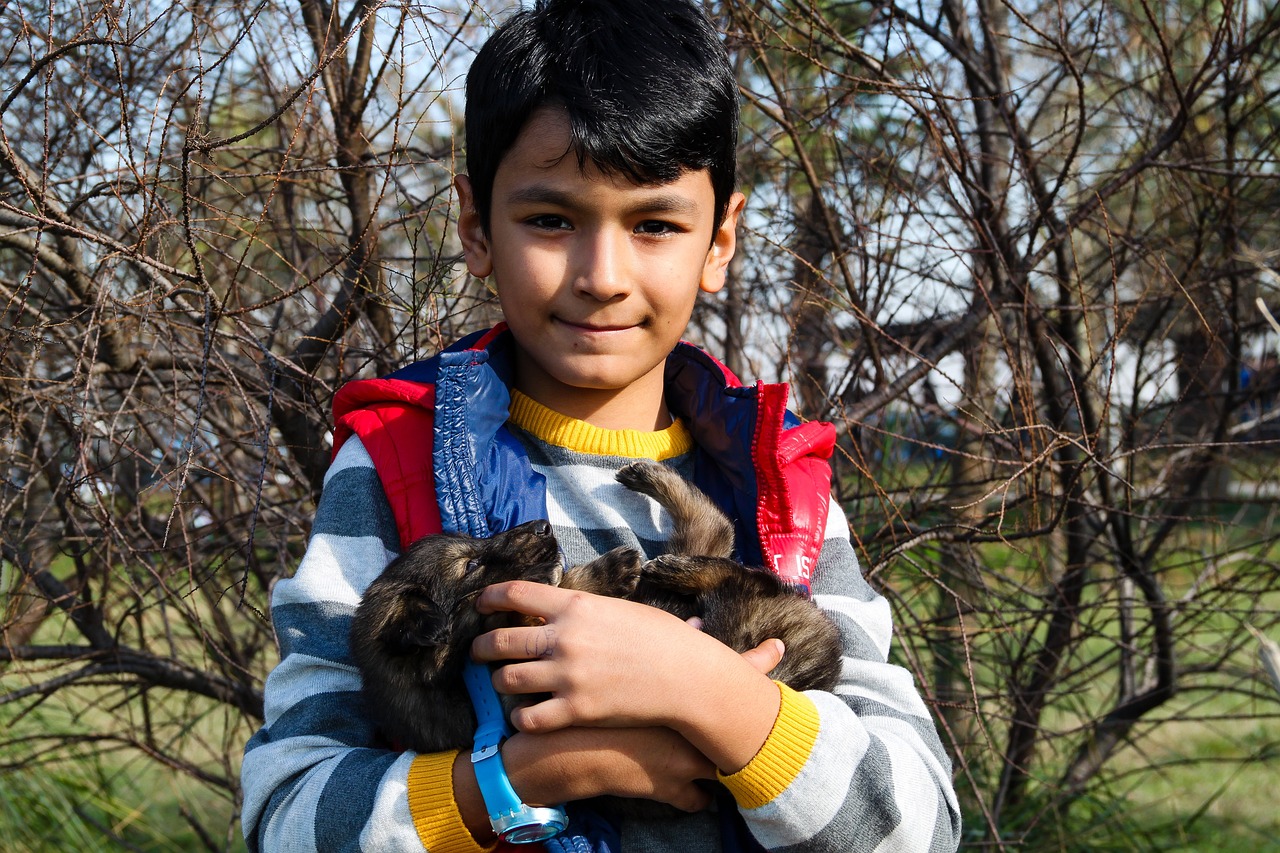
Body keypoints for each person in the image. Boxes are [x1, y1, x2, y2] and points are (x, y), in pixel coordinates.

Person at [240, 1, 961, 850]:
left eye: (654, 224)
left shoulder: (784, 488)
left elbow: (915, 825)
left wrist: (713, 696)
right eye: (551, 220)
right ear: (476, 226)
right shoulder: (394, 463)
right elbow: (285, 815)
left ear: (720, 239)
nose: (602, 276)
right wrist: (534, 774)